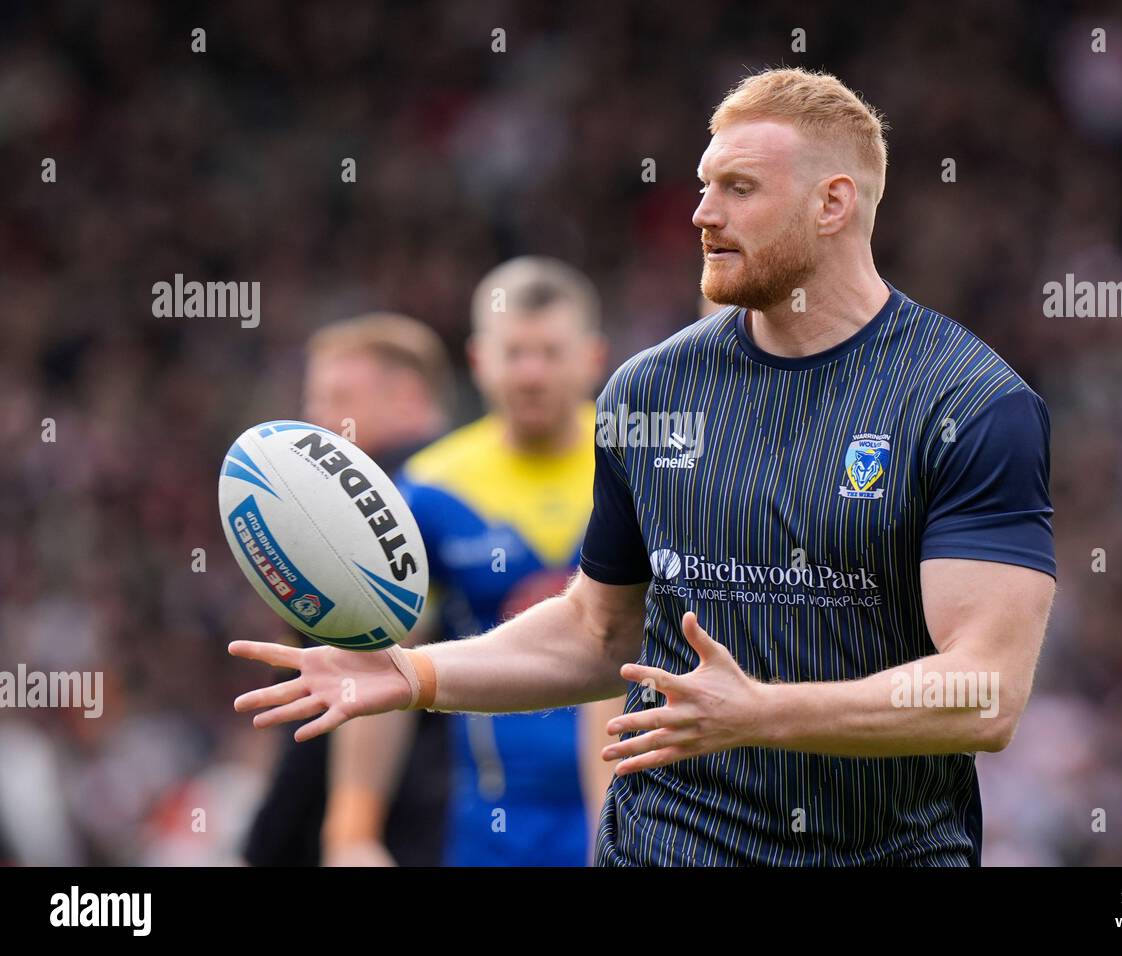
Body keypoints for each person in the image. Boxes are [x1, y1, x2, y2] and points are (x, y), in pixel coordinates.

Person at [231, 67, 1056, 867]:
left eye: (738, 189)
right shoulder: (650, 391)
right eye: (703, 185)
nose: (701, 212)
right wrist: (412, 671)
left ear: (833, 203)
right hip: (667, 843)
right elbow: (598, 629)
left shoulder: (970, 404)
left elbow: (984, 690)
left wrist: (764, 714)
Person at [328, 257, 622, 866]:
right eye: (515, 352)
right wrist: (351, 832)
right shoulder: (428, 491)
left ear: (593, 358)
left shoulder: (640, 467)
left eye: (550, 351)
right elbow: (386, 659)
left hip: (642, 812)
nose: (532, 372)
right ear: (478, 360)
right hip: (490, 830)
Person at [242, 312, 453, 867]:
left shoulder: (383, 509)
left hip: (398, 814)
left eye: (334, 395)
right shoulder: (468, 485)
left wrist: (276, 842)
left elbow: (334, 692)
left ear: (407, 395)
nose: (313, 418)